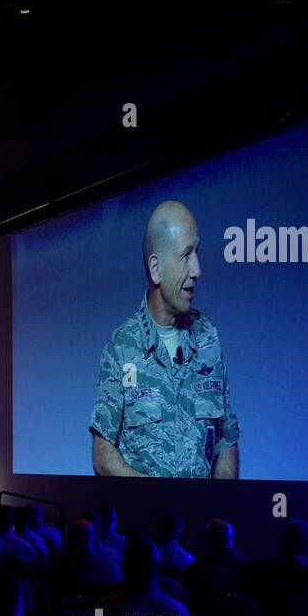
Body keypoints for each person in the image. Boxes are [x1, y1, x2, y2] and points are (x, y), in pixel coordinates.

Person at [89, 200, 240, 478]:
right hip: (145, 518)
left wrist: (220, 505)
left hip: (203, 518)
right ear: (156, 269)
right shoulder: (121, 348)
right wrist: (156, 499)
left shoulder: (208, 336)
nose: (197, 269)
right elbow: (103, 454)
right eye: (186, 255)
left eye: (197, 253)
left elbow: (226, 439)